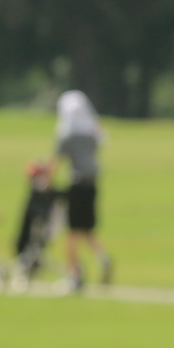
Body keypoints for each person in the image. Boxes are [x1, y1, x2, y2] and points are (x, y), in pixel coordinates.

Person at [54, 90, 113, 292]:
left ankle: (74, 275)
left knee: (71, 232)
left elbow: (56, 162)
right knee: (87, 228)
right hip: (93, 183)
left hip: (77, 183)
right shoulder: (92, 132)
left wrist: (46, 181)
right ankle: (103, 259)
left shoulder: (67, 134)